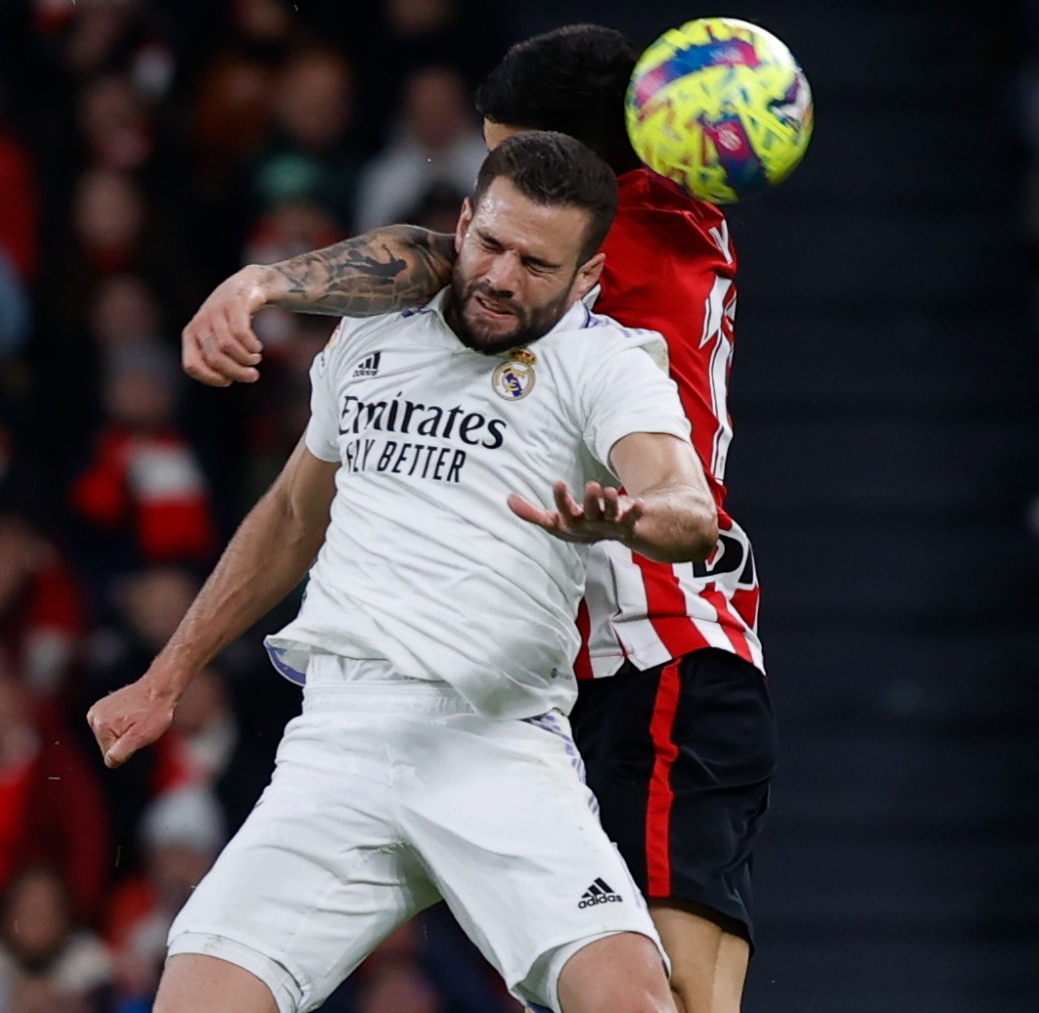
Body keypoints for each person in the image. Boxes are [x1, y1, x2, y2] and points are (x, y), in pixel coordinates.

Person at [179, 26, 775, 1013]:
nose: (500, 193)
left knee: (676, 997)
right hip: (557, 670)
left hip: (663, 648)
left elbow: (431, 255)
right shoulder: (664, 216)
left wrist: (270, 280)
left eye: (518, 158)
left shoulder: (618, 240)